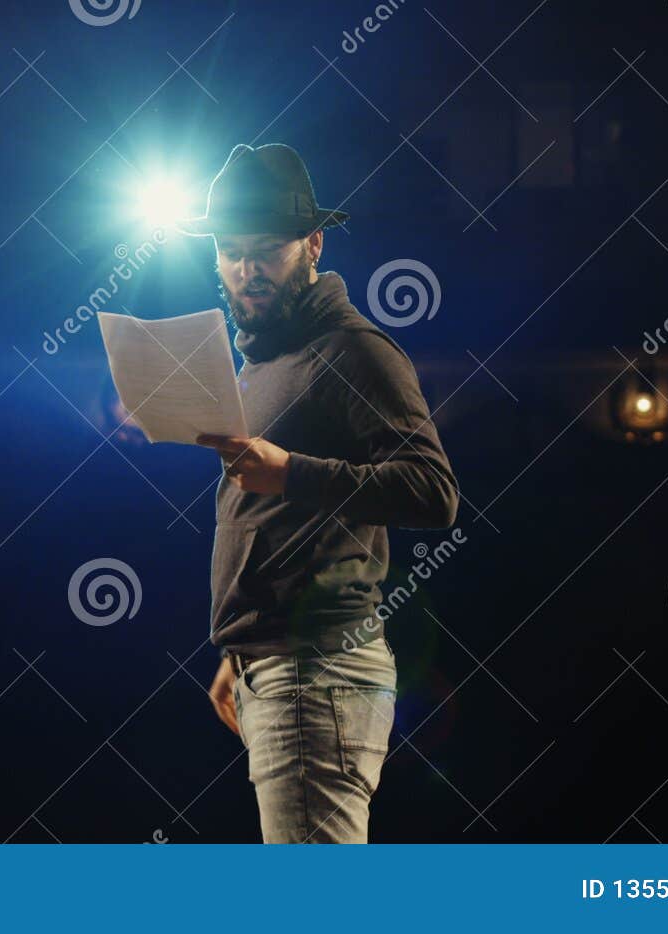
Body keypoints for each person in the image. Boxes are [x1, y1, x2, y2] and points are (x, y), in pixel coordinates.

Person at [180, 143, 459, 843]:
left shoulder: (352, 350)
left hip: (319, 671)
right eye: (231, 250)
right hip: (276, 667)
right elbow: (273, 520)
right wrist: (239, 653)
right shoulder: (266, 361)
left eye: (267, 249)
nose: (247, 269)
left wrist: (291, 472)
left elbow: (434, 492)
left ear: (312, 245)